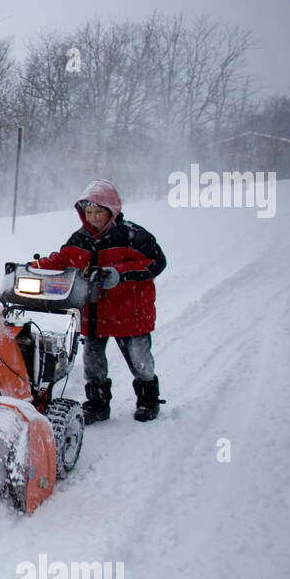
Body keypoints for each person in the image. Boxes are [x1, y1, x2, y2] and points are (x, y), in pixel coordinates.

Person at [35, 179, 167, 422]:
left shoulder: (133, 236)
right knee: (93, 363)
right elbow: (61, 260)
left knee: (139, 360)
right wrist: (35, 267)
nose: (94, 217)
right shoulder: (80, 239)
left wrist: (120, 273)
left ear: (112, 211)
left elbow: (156, 262)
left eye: (99, 212)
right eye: (89, 212)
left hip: (130, 313)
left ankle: (148, 401)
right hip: (94, 314)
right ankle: (97, 405)